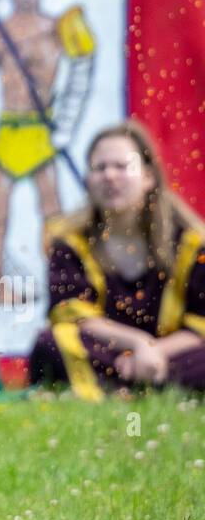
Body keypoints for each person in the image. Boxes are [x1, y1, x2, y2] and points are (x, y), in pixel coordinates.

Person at [30, 121, 205, 399]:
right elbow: (72, 315)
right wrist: (139, 344)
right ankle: (143, 386)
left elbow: (200, 324)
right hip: (108, 350)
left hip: (172, 352)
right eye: (100, 168)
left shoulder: (190, 242)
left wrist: (156, 352)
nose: (110, 176)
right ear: (88, 180)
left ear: (148, 176)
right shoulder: (70, 241)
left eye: (122, 167)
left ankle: (124, 385)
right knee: (52, 343)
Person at [0, 0, 96, 285]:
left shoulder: (56, 29)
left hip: (41, 130)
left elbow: (82, 70)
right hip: (9, 129)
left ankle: (63, 277)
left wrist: (66, 124)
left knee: (52, 208)